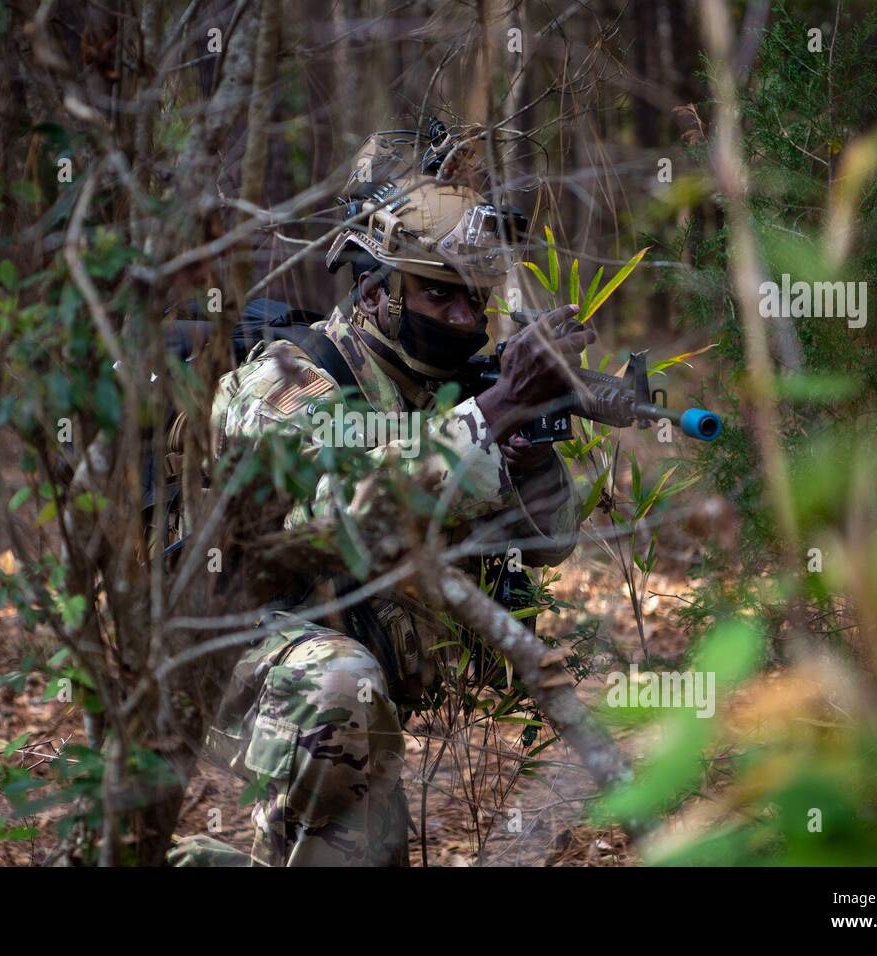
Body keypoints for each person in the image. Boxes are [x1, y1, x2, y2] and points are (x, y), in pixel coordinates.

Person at [169, 132, 594, 866]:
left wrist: (525, 447)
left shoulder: (447, 384)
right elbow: (331, 515)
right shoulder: (287, 376)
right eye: (438, 294)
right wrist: (489, 417)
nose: (463, 318)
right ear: (374, 291)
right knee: (343, 691)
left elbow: (549, 545)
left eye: (475, 299)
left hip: (348, 671)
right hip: (229, 651)